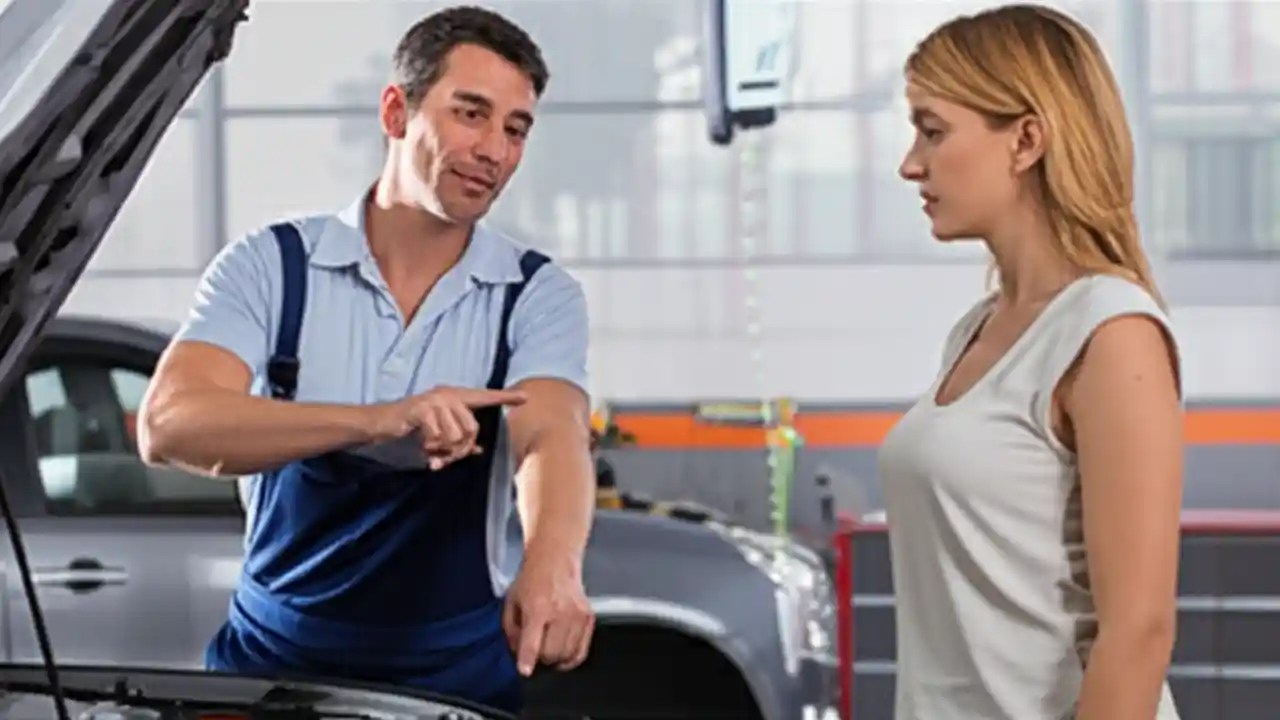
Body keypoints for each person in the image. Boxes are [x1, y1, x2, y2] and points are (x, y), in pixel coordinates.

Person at [136, 6, 596, 714]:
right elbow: (169, 424)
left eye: (515, 129)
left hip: (452, 679)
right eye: (470, 114)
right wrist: (379, 420)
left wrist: (554, 564)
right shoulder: (273, 267)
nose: (494, 151)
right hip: (269, 674)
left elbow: (552, 433)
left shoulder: (535, 295)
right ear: (395, 111)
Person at [877, 4, 1183, 719]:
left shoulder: (1111, 332)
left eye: (933, 130)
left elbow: (1137, 633)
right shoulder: (976, 331)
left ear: (1026, 141)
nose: (910, 162)